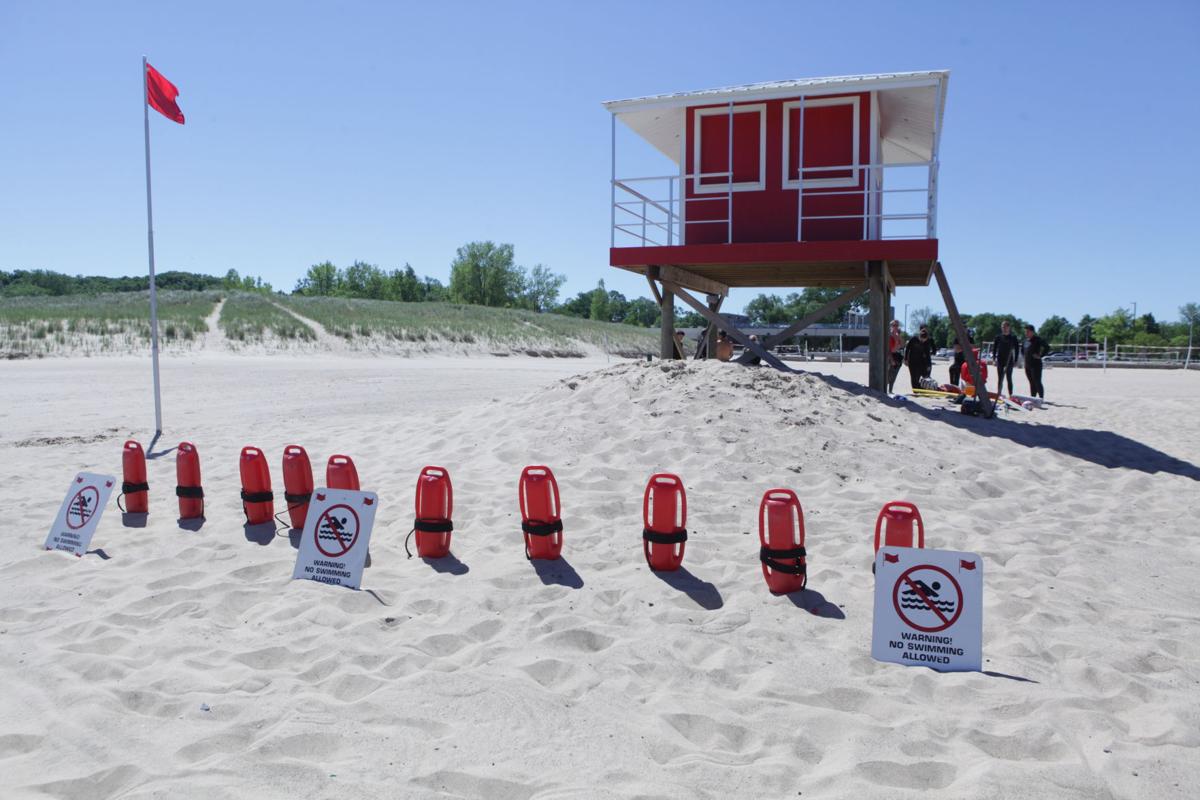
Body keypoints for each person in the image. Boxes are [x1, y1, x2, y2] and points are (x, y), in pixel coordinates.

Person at [992, 320, 1020, 396]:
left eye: (1005, 327)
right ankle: (999, 394)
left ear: (1009, 328)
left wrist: (1016, 360)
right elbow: (994, 348)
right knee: (1000, 379)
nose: (1003, 328)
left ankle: (1011, 395)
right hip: (1000, 359)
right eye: (1002, 327)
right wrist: (994, 359)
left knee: (1009, 378)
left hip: (1009, 360)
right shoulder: (998, 337)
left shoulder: (1013, 337)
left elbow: (1017, 349)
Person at [903, 325, 934, 391]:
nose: (922, 341)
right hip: (912, 361)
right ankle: (915, 390)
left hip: (921, 362)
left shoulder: (927, 341)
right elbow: (907, 349)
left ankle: (922, 388)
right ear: (919, 336)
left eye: (924, 340)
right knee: (914, 377)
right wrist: (905, 359)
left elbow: (929, 353)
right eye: (921, 340)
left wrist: (928, 361)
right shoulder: (914, 339)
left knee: (925, 375)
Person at [1024, 323, 1049, 398]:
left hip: (1036, 365)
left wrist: (1040, 355)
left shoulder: (1037, 339)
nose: (1026, 333)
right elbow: (1023, 350)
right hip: (1027, 364)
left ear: (1032, 332)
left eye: (1028, 331)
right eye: (1025, 331)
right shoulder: (1025, 341)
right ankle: (1033, 397)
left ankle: (1041, 398)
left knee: (1037, 382)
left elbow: (1047, 347)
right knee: (1031, 382)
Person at [886, 320, 905, 393]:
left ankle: (890, 390)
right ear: (891, 326)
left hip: (897, 356)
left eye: (897, 325)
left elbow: (902, 345)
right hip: (891, 356)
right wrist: (891, 359)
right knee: (888, 375)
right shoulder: (889, 336)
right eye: (894, 325)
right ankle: (885, 389)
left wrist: (899, 336)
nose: (896, 327)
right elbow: (889, 349)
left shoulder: (898, 336)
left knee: (894, 376)